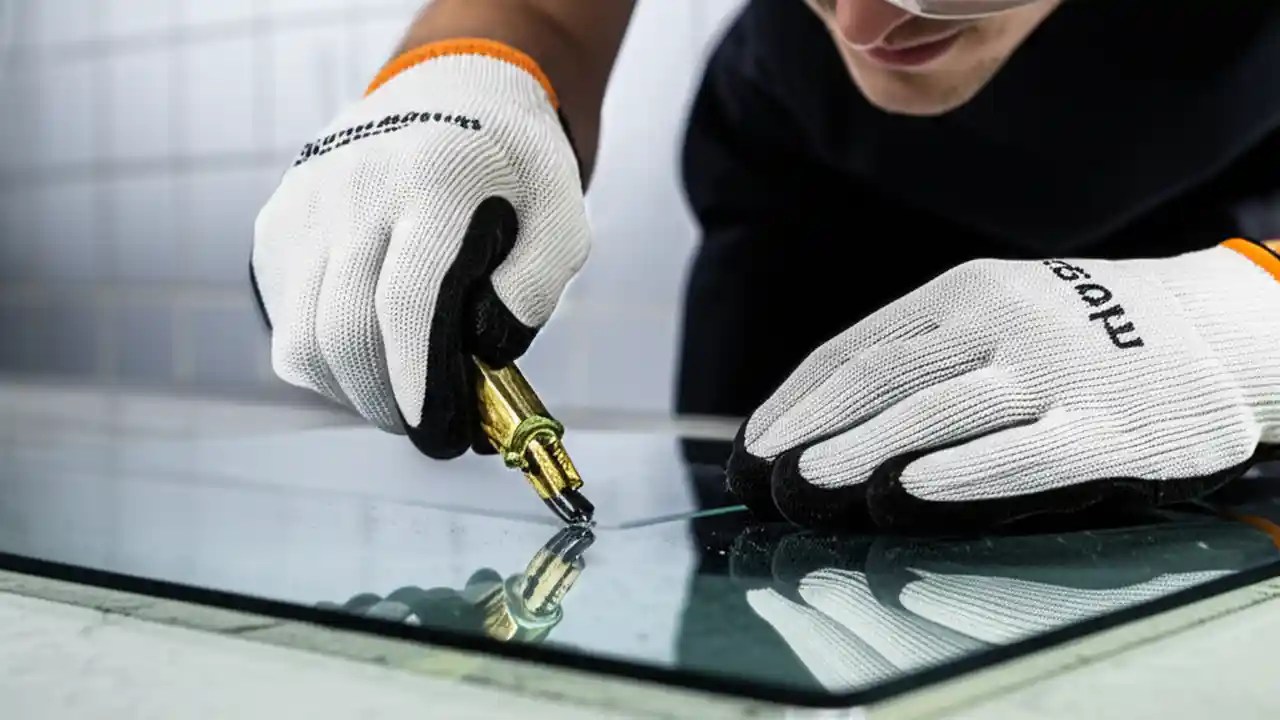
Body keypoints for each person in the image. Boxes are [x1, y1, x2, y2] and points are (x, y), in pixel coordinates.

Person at [251, 0, 1280, 531]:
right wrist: (453, 81)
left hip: (1218, 216)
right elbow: (545, 12)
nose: (868, 25)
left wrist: (1243, 313)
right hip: (804, 184)